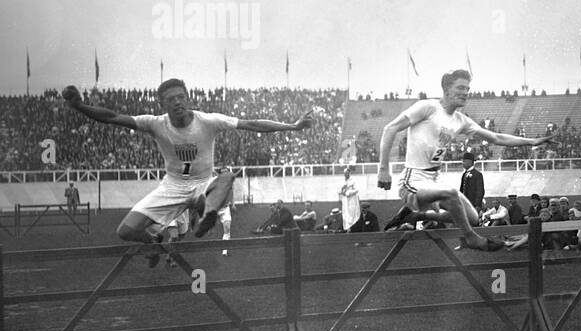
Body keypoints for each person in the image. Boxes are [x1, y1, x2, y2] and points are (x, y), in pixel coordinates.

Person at [61, 80, 311, 263]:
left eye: (181, 96)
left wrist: (292, 126)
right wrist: (80, 106)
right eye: (171, 99)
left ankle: (204, 219)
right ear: (162, 104)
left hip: (204, 184)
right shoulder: (155, 123)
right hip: (172, 187)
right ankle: (156, 242)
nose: (177, 101)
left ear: (188, 97)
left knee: (226, 177)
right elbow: (113, 117)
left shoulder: (208, 121)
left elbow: (251, 124)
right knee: (125, 231)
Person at [376, 69, 552, 250]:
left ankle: (416, 215)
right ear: (446, 88)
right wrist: (383, 169)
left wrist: (531, 141)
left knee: (472, 217)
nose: (465, 92)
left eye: (467, 89)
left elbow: (497, 138)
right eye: (460, 87)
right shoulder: (427, 107)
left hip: (434, 179)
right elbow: (390, 128)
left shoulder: (461, 120)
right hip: (412, 179)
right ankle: (471, 238)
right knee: (451, 194)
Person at [339, 167, 361, 231]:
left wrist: (348, 193)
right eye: (344, 173)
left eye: (347, 173)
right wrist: (342, 191)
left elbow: (357, 190)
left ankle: (353, 228)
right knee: (346, 214)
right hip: (345, 200)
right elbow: (339, 191)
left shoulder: (353, 181)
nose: (345, 174)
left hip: (352, 200)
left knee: (353, 213)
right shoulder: (342, 181)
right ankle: (347, 228)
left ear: (349, 173)